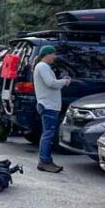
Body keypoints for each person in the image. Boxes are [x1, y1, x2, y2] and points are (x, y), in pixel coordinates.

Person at [33, 45, 71, 173]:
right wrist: (64, 81)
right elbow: (51, 83)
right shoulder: (43, 66)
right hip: (48, 105)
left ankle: (47, 160)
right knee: (48, 134)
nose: (55, 57)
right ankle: (44, 161)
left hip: (49, 104)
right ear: (47, 55)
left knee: (48, 133)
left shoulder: (42, 66)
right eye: (53, 54)